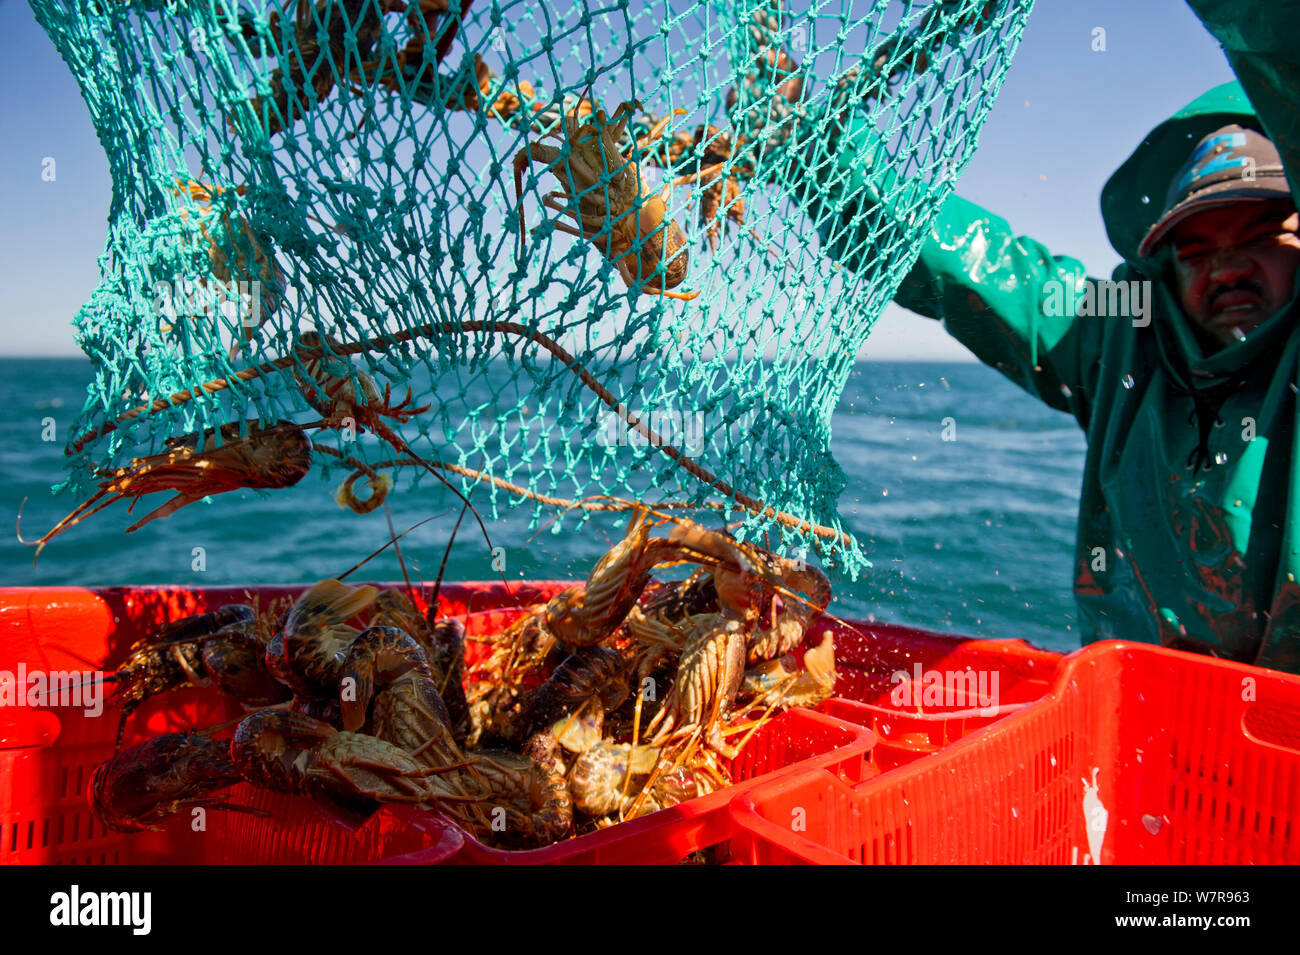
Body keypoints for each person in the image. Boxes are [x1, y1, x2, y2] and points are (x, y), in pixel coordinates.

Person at [811, 11, 1300, 670]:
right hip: (1136, 726)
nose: (1229, 266)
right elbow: (982, 274)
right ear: (1166, 265)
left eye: (1264, 234)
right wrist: (829, 163)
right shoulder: (1125, 339)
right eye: (1197, 247)